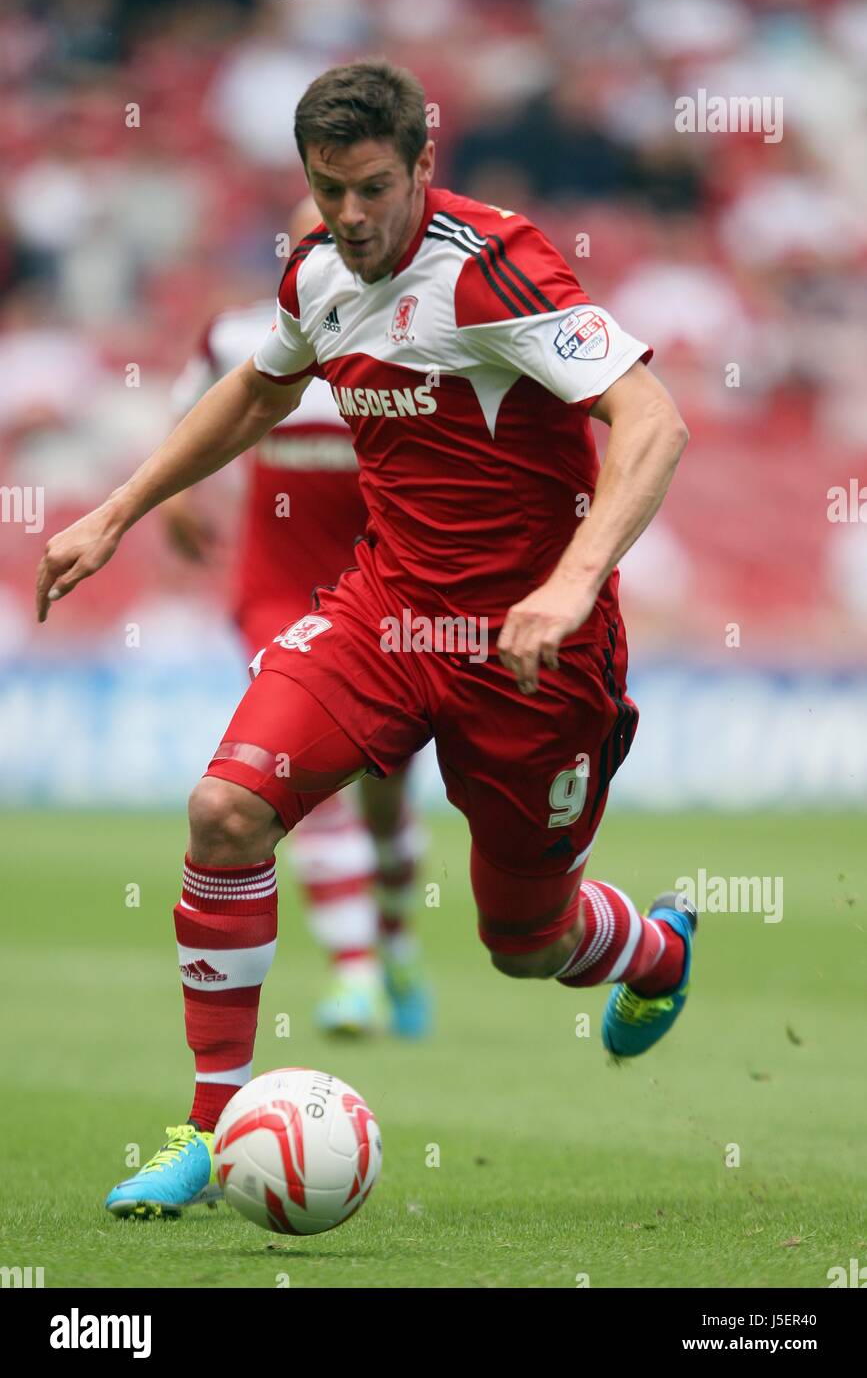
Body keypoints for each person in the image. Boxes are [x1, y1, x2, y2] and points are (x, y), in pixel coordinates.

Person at [36, 60, 693, 1222]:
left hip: (533, 651)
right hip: (385, 616)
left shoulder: (496, 271)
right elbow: (255, 391)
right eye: (327, 189)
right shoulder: (318, 273)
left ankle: (649, 952)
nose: (350, 216)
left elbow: (653, 417)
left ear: (423, 167)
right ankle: (205, 1126)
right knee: (224, 811)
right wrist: (116, 509)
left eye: (374, 188)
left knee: (524, 942)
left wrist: (574, 581)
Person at [162, 198, 430, 1040]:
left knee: (388, 795)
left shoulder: (414, 334)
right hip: (276, 593)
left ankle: (392, 943)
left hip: (382, 593)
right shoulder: (237, 337)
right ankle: (353, 975)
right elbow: (191, 414)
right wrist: (172, 494)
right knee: (302, 777)